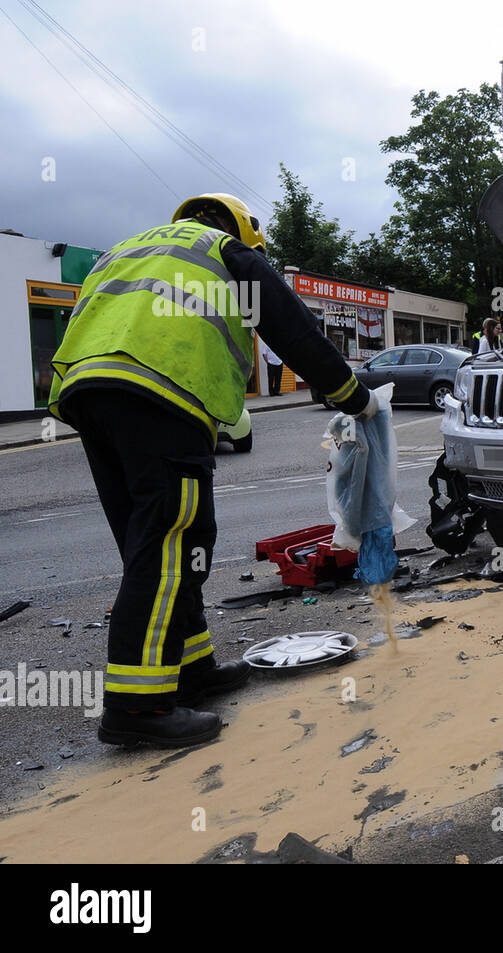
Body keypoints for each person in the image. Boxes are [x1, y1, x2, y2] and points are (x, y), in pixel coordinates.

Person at [48, 193, 377, 749]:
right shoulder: (226, 252)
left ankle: (190, 669)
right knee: (172, 540)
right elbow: (293, 331)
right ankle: (137, 708)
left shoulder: (127, 250)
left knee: (152, 541)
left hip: (88, 394)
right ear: (243, 231)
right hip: (160, 391)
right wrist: (354, 398)